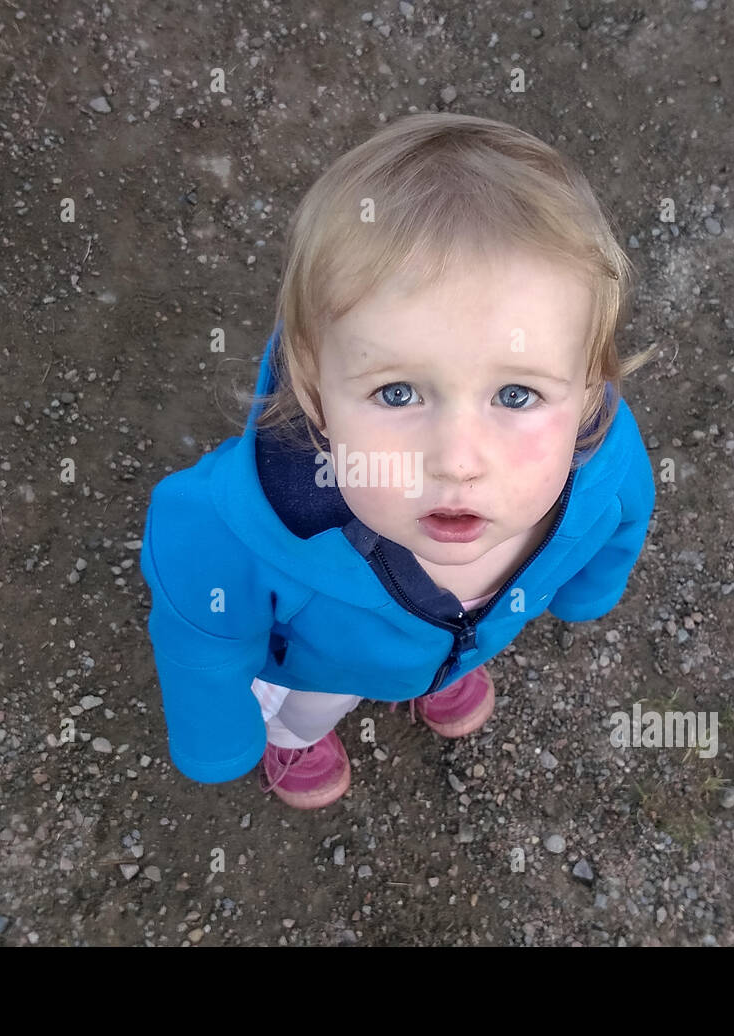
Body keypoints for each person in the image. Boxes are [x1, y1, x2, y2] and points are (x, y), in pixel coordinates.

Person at [140, 113, 657, 809]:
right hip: (326, 670)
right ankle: (295, 738)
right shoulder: (233, 531)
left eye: (516, 393)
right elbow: (202, 638)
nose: (457, 461)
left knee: (450, 643)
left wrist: (587, 591)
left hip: (475, 633)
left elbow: (625, 518)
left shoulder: (604, 460)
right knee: (310, 705)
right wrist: (221, 737)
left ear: (589, 391)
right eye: (397, 391)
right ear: (318, 393)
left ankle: (437, 672)